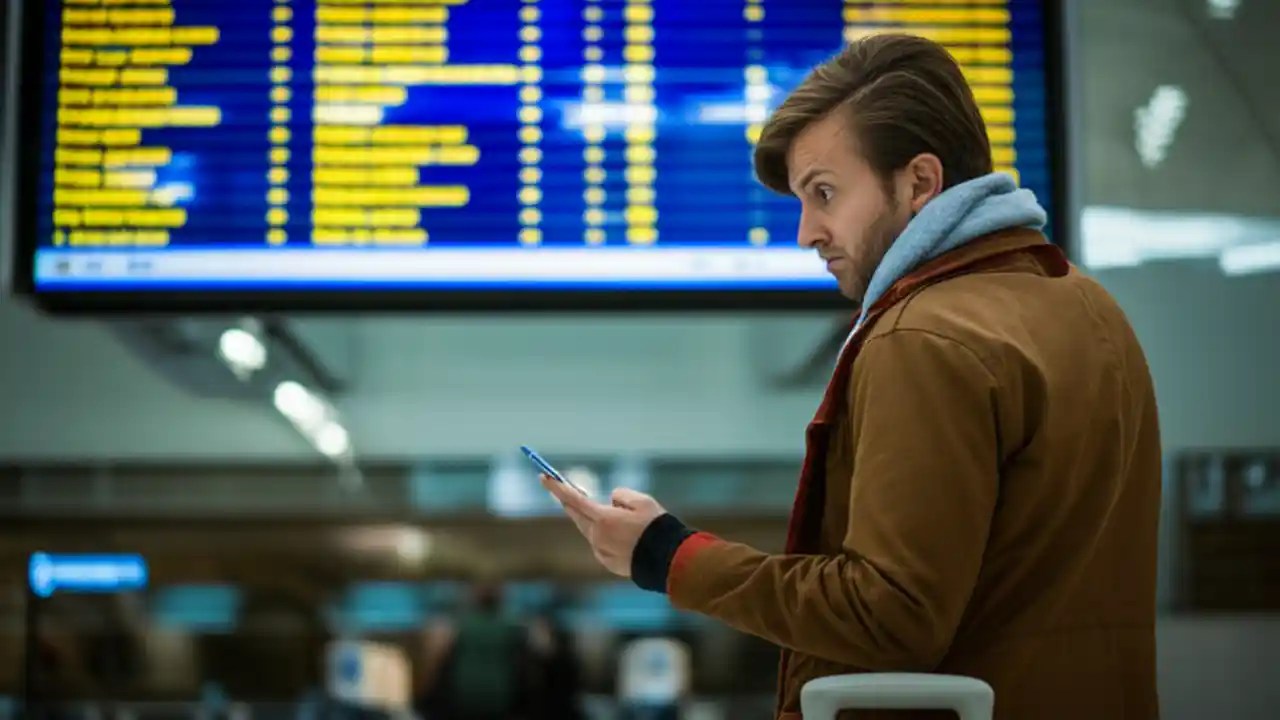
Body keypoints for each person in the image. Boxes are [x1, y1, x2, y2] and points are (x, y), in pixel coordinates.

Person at [541, 32, 1161, 720]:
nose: (807, 231)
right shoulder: (1088, 306)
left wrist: (669, 556)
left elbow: (889, 616)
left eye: (825, 194)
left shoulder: (922, 338)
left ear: (919, 183)